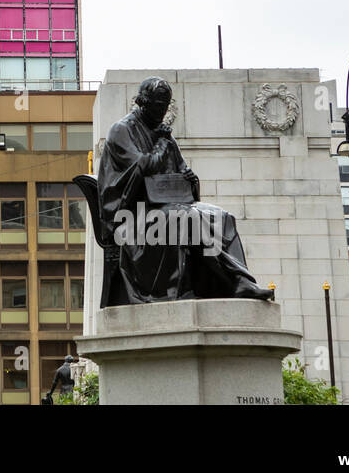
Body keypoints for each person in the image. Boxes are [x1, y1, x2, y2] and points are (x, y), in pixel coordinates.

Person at [97, 77, 274, 303]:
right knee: (185, 217)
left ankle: (239, 281)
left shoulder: (163, 134)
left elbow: (182, 170)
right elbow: (143, 166)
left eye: (165, 106)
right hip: (132, 213)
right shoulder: (122, 130)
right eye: (157, 106)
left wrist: (190, 180)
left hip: (167, 206)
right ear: (143, 102)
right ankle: (228, 282)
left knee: (221, 217)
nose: (162, 112)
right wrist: (161, 144)